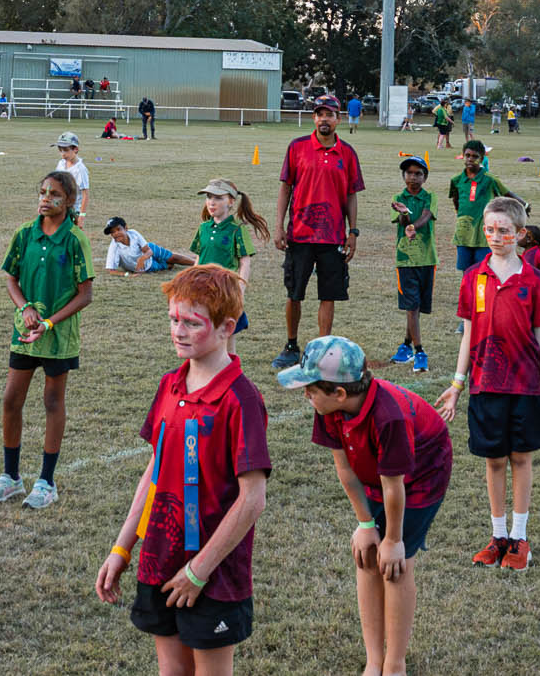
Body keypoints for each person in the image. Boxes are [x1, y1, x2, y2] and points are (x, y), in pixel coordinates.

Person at [95, 265, 268, 675]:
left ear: (227, 327)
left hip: (213, 571)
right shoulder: (170, 385)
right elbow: (154, 474)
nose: (179, 331)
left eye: (193, 323)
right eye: (174, 320)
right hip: (161, 556)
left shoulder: (240, 400)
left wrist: (199, 571)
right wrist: (123, 547)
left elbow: (252, 499)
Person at [281, 336, 451, 675]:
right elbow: (345, 468)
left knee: (395, 566)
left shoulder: (388, 417)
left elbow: (395, 485)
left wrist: (393, 540)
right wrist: (366, 526)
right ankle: (374, 660)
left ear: (340, 393)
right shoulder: (328, 407)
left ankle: (395, 664)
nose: (305, 396)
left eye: (310, 389)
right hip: (377, 472)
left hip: (419, 476)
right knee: (366, 557)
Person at [437, 197, 540, 571]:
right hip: (486, 386)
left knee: (520, 458)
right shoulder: (473, 277)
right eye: (490, 230)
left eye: (503, 231)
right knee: (494, 460)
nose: (495, 237)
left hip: (525, 387)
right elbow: (467, 335)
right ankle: (498, 535)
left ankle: (520, 538)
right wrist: (457, 383)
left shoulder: (534, 280)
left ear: (520, 234)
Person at [0, 170, 95, 510]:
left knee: (52, 402)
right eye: (43, 192)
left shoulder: (75, 239)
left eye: (54, 194)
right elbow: (11, 280)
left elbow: (85, 294)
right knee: (10, 400)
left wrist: (49, 321)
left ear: (70, 201)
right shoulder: (24, 234)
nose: (45, 198)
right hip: (25, 334)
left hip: (58, 336)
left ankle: (46, 481)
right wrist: (26, 307)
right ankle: (11, 477)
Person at [270, 97, 364, 372]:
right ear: (314, 118)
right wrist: (279, 226)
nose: (324, 119)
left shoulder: (347, 152)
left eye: (330, 114)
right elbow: (285, 187)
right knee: (294, 292)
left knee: (328, 294)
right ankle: (291, 345)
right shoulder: (297, 147)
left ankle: (323, 349)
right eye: (319, 114)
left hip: (333, 236)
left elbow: (351, 194)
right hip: (299, 234)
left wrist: (353, 232)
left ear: (339, 119)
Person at [191, 179, 270, 356]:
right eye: (209, 197)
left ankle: (231, 378)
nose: (211, 202)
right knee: (202, 338)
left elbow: (245, 261)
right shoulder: (203, 228)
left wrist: (240, 291)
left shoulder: (237, 229)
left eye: (218, 198)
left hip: (225, 291)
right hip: (201, 291)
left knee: (227, 342)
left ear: (231, 201)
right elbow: (198, 257)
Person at [390, 157, 438, 371]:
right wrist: (403, 215)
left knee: (417, 307)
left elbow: (427, 216)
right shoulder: (398, 198)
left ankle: (407, 345)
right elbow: (402, 223)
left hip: (427, 258)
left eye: (418, 173)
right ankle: (419, 352)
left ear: (425, 177)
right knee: (412, 306)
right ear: (403, 176)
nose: (413, 177)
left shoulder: (430, 197)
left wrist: (414, 226)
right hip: (406, 260)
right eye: (409, 173)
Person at [446, 139, 511, 297]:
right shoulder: (456, 180)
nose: (470, 159)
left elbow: (508, 195)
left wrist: (525, 205)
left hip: (484, 236)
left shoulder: (489, 180)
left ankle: (480, 305)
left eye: (474, 156)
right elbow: (456, 200)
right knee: (466, 273)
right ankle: (467, 310)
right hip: (463, 235)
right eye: (467, 155)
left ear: (482, 159)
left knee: (482, 272)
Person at [103, 216, 198, 274]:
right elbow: (111, 270)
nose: (116, 234)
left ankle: (198, 263)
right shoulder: (114, 247)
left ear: (126, 228)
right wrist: (128, 275)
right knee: (169, 266)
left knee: (173, 257)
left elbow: (149, 251)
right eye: (112, 232)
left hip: (149, 250)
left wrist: (142, 259)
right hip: (148, 266)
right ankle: (194, 259)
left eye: (118, 229)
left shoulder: (134, 234)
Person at [55, 131, 92, 214]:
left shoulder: (80, 169)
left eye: (65, 150)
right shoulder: (61, 163)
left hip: (73, 211)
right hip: (59, 208)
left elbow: (85, 195)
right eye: (60, 150)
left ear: (76, 149)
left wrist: (81, 217)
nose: (62, 154)